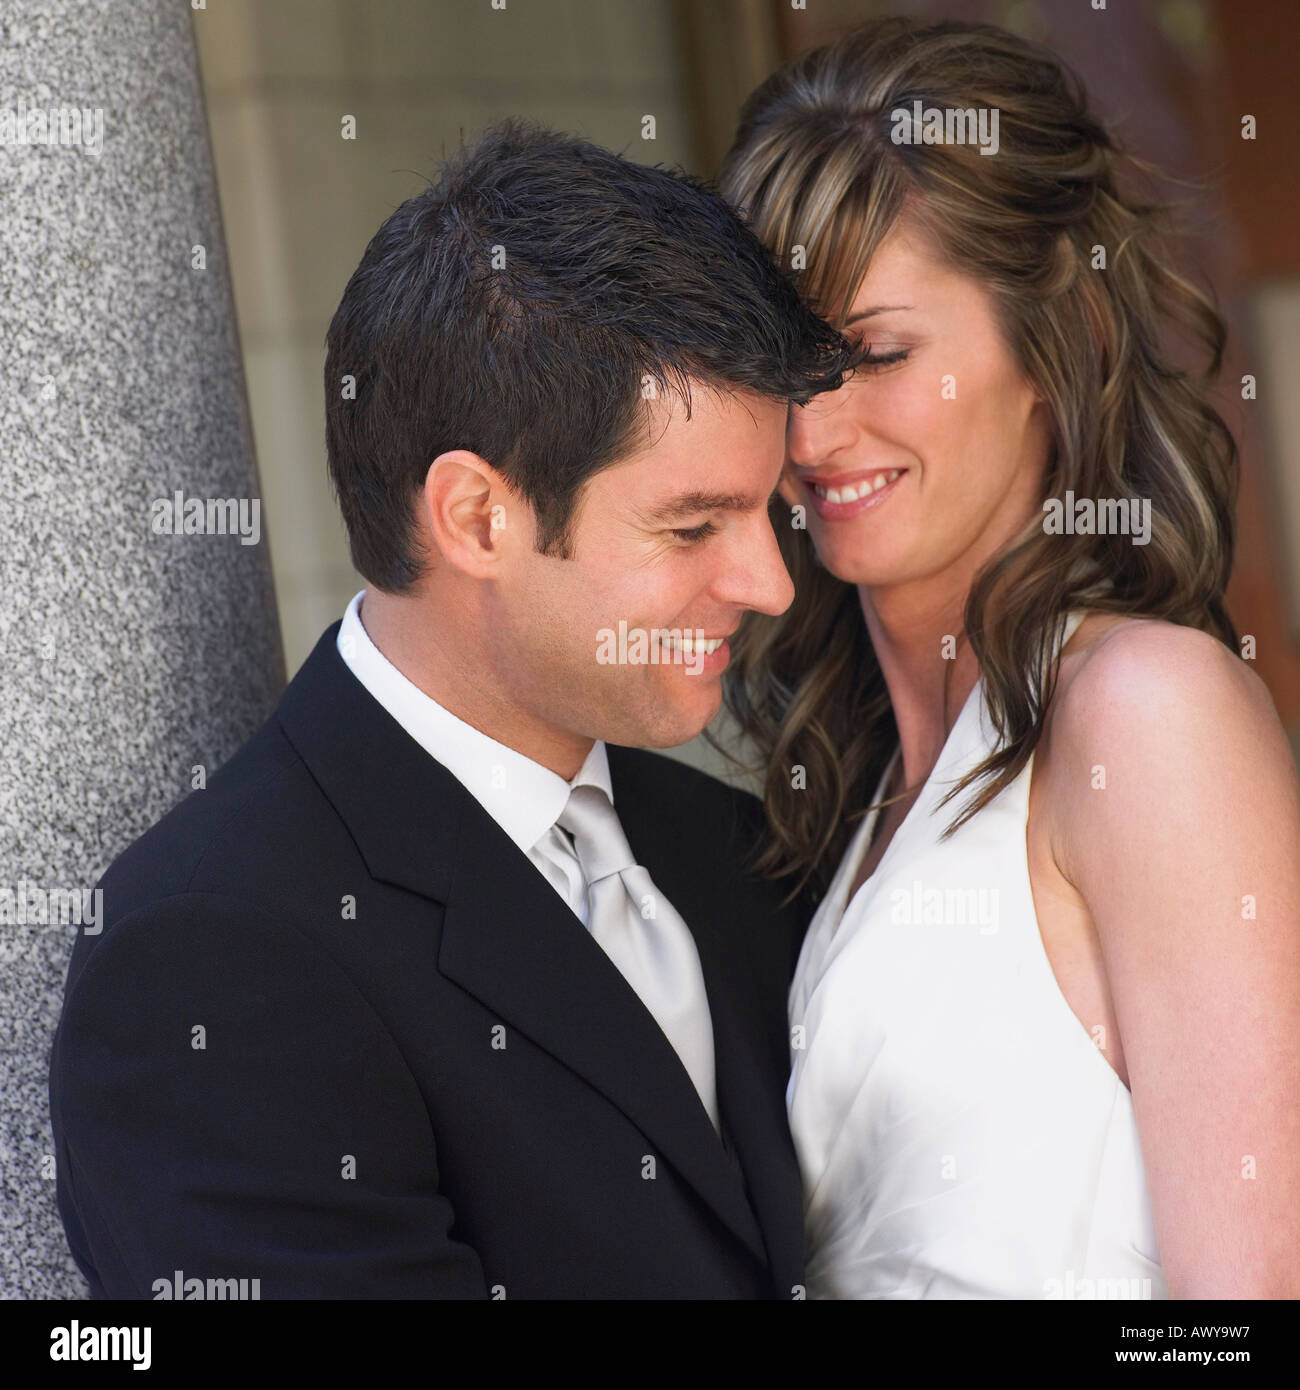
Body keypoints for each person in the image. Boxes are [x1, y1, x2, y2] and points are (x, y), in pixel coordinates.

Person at [48, 118, 854, 1299]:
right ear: (477, 517)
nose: (771, 584)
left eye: (765, 513)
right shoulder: (214, 959)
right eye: (693, 526)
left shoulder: (730, 852)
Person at [715, 18, 1300, 1299]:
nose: (814, 427)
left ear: (1055, 339)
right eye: (779, 363)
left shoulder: (1147, 714)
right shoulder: (862, 783)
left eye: (876, 353)